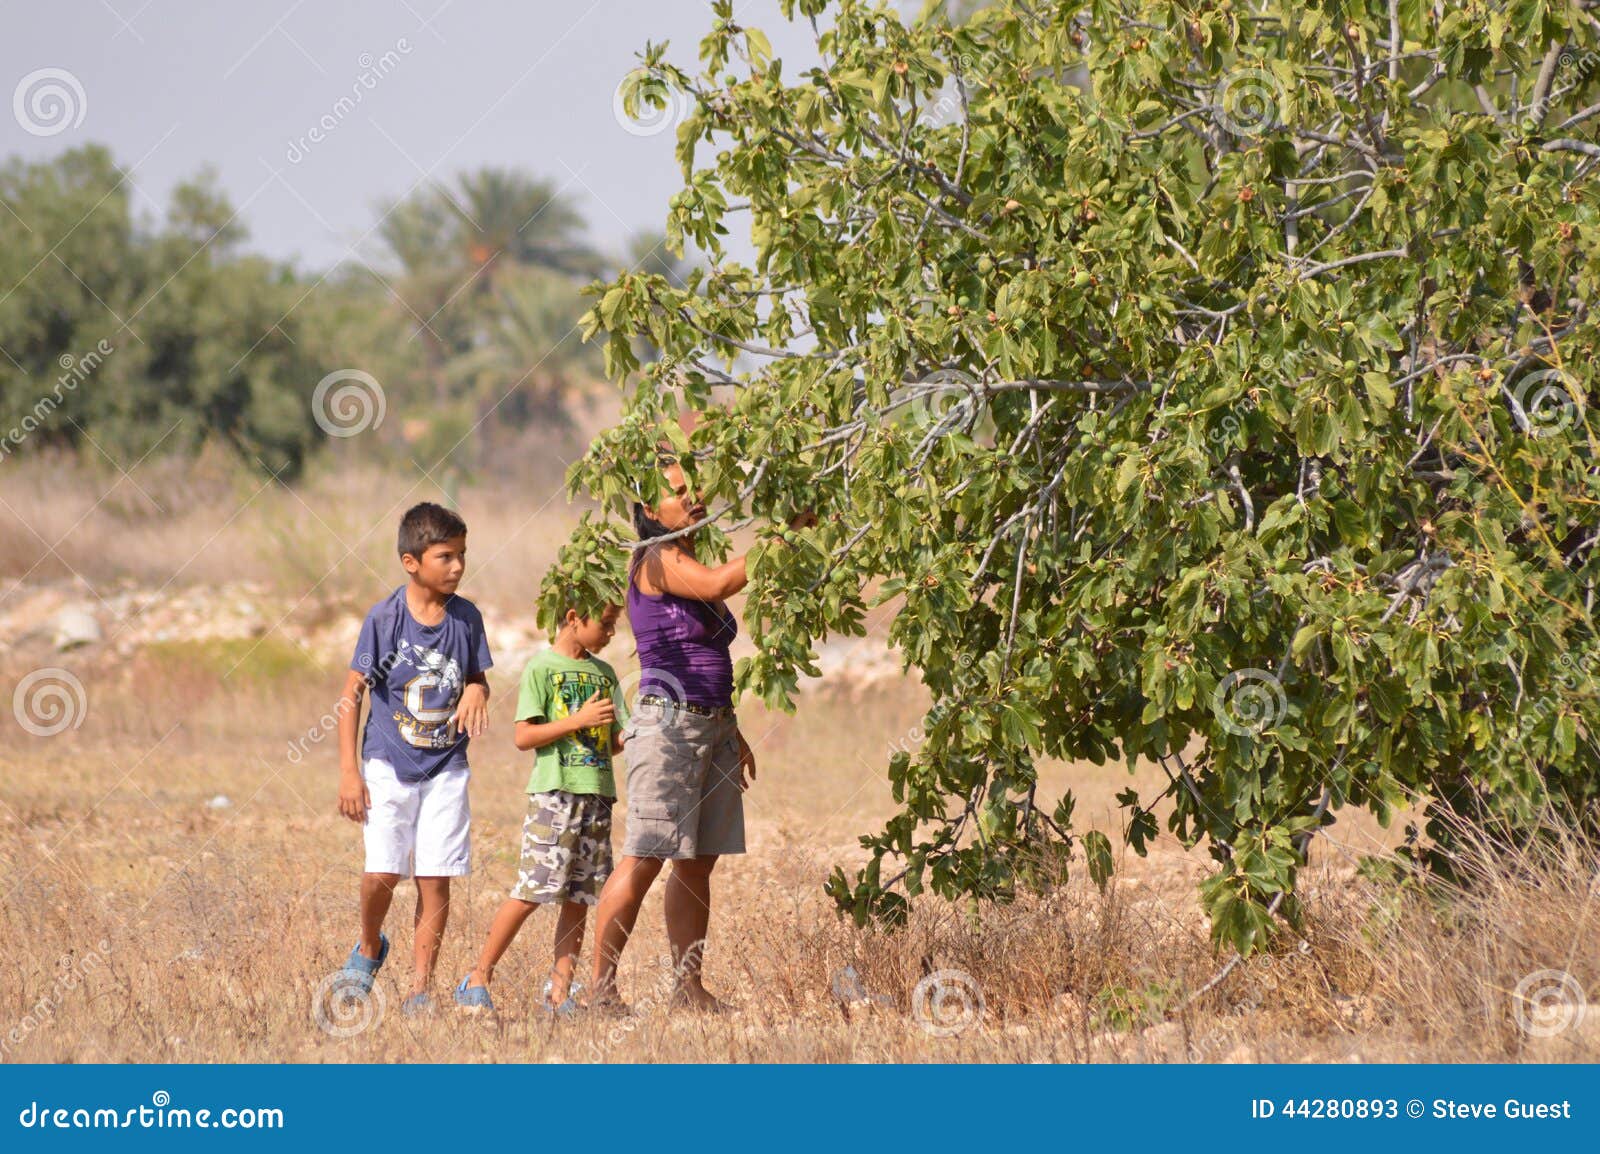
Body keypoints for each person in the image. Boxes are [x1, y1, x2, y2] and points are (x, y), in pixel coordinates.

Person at [588, 455, 814, 1012]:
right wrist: (785, 531)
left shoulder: (684, 557)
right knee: (645, 856)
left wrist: (731, 733)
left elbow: (712, 644)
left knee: (697, 862)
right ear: (648, 509)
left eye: (696, 490)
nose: (693, 500)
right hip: (668, 727)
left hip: (710, 724)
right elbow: (720, 580)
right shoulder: (658, 559)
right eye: (679, 492)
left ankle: (687, 988)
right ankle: (598, 992)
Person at [334, 501, 492, 1016]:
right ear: (411, 561)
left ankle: (420, 988)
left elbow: (476, 676)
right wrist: (348, 772)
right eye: (445, 556)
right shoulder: (385, 619)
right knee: (382, 871)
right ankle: (368, 944)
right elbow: (352, 695)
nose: (458, 567)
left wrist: (477, 690)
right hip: (386, 763)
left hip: (447, 766)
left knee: (435, 873)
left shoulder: (466, 618)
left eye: (462, 555)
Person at [454, 602, 628, 1015]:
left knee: (580, 897)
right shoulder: (541, 668)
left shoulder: (605, 674)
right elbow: (524, 737)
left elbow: (614, 740)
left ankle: (559, 994)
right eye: (604, 623)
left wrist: (639, 734)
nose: (611, 633)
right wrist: (577, 720)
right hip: (555, 795)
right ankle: (477, 976)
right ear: (573, 617)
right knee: (532, 891)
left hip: (598, 795)